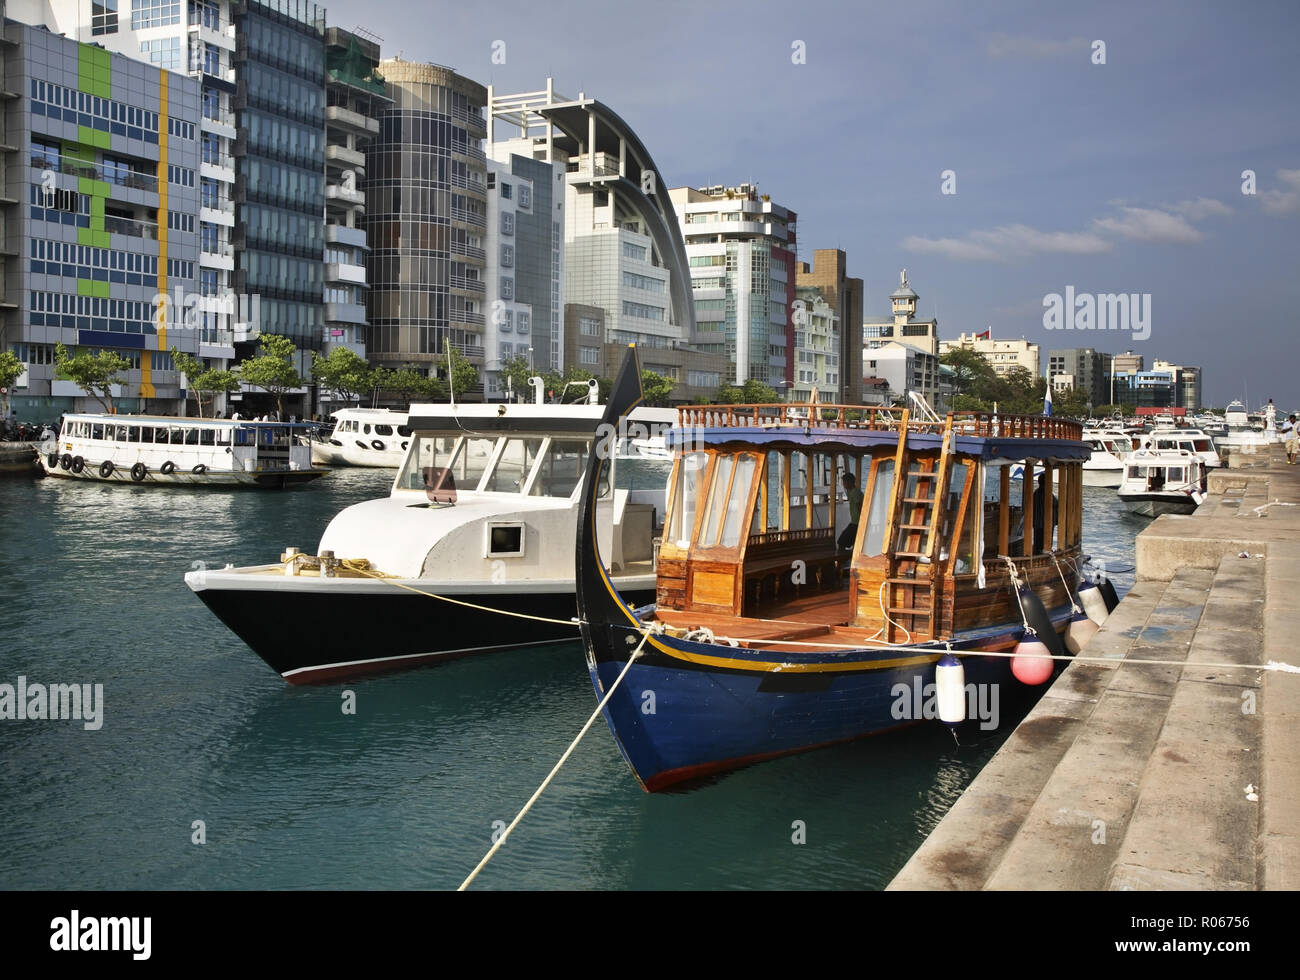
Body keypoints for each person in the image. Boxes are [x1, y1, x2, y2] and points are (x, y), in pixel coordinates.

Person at [838, 471, 865, 551]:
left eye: (844, 482)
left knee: (841, 541)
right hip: (855, 522)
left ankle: (842, 560)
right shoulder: (855, 491)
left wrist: (862, 520)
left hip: (857, 523)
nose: (843, 484)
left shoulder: (854, 492)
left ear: (849, 482)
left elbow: (859, 505)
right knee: (851, 541)